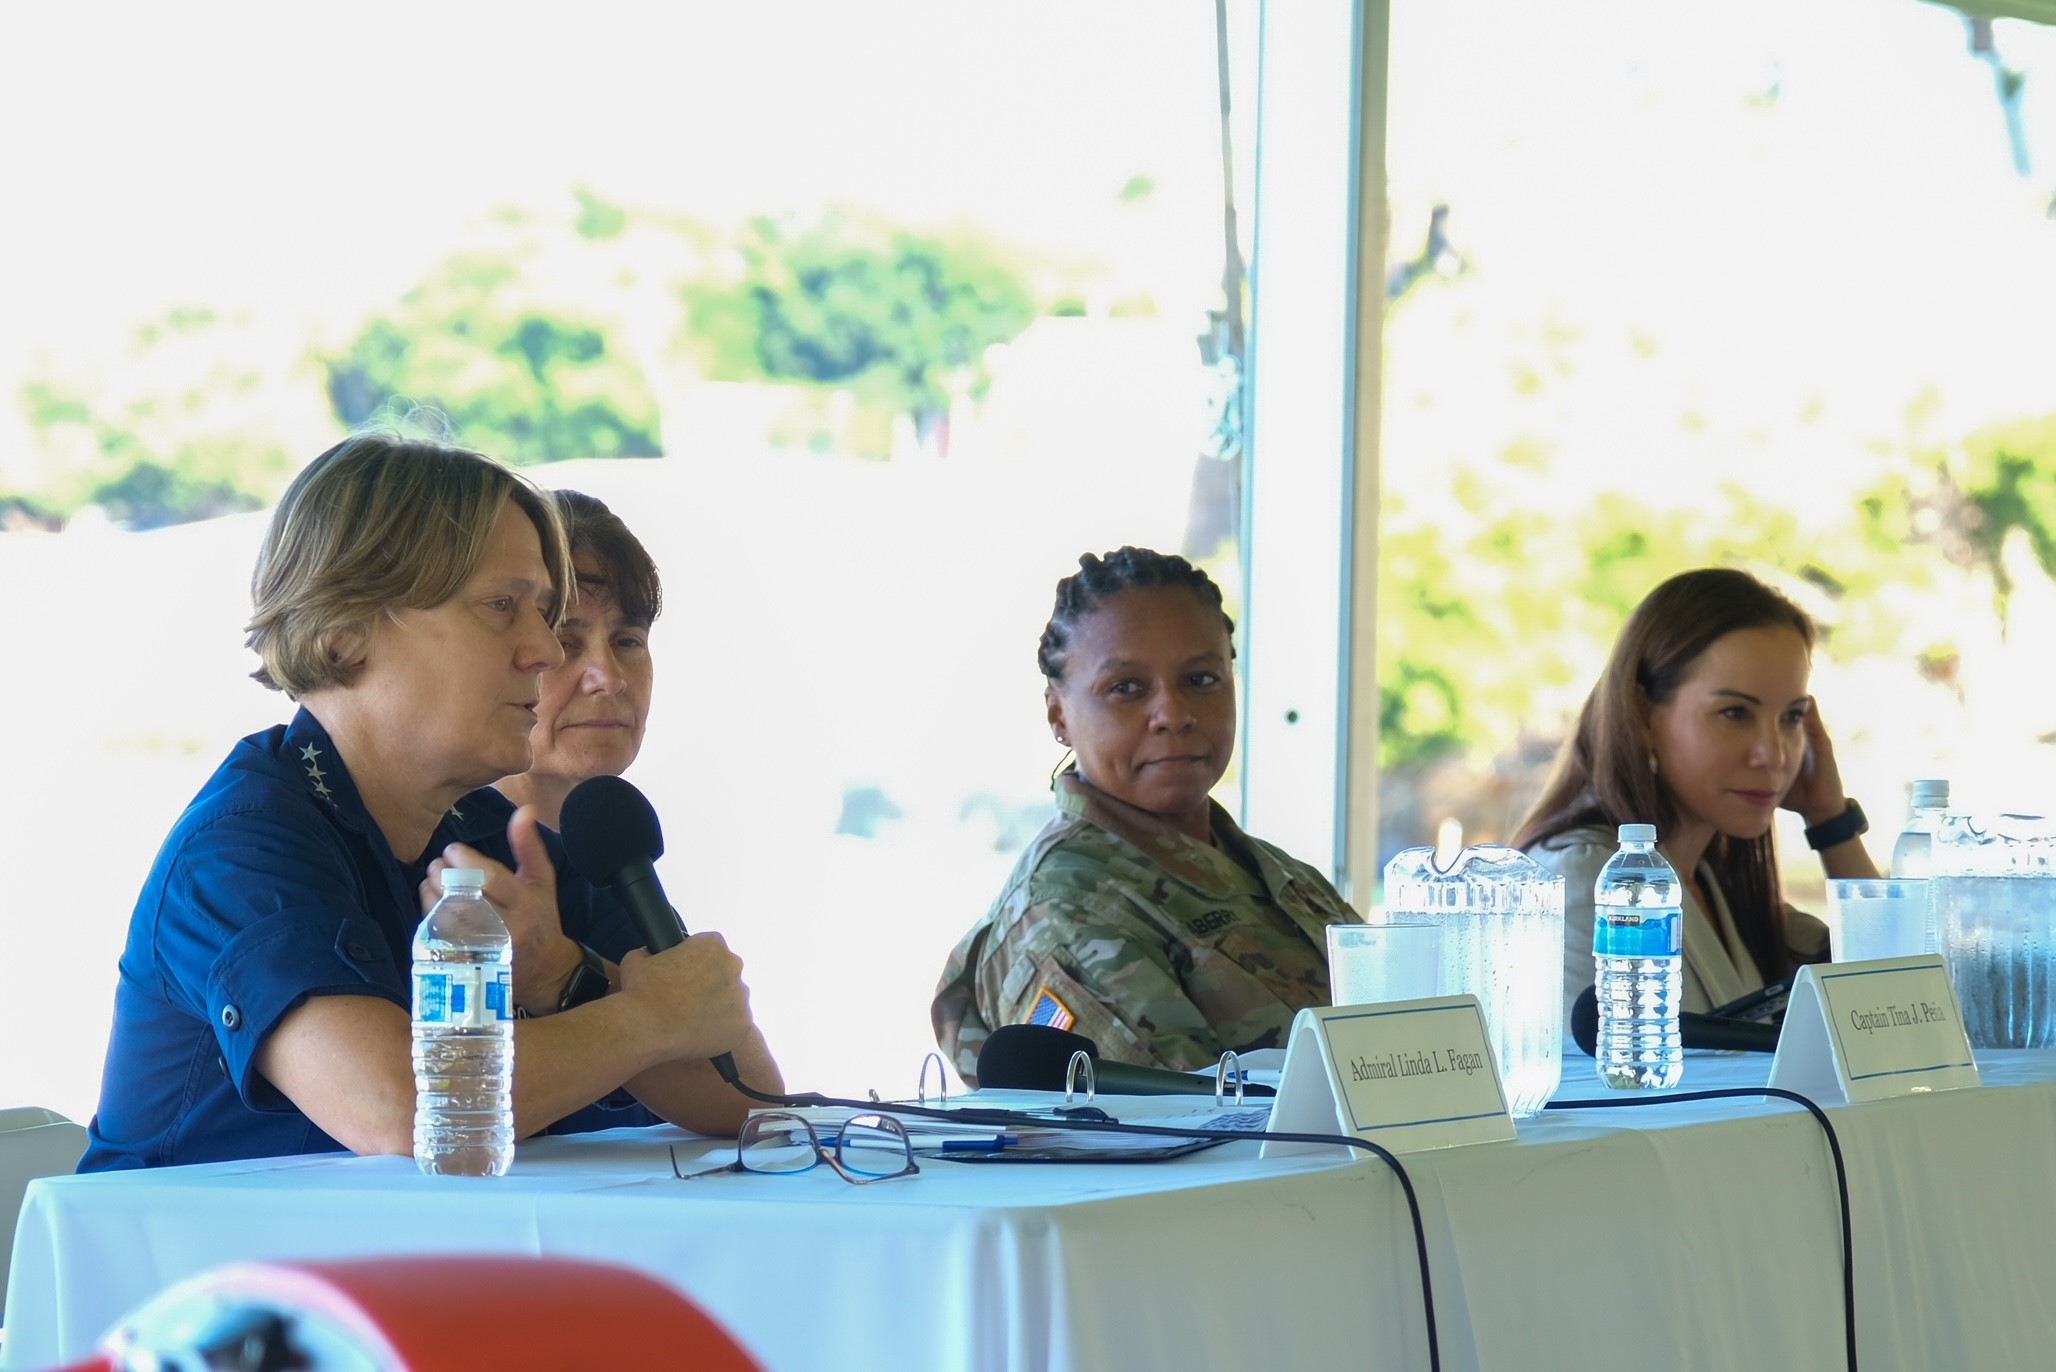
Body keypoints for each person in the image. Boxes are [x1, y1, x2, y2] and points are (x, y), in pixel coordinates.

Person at [82, 435, 781, 1171]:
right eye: (503, 607)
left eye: (543, 613)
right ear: (345, 629)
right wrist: (645, 1017)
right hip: (230, 1284)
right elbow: (399, 1109)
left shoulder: (504, 840)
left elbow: (754, 1104)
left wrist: (564, 974)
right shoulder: (239, 849)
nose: (544, 651)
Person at [932, 547, 1362, 1084]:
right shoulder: (1068, 909)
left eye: (1201, 680)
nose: (1173, 715)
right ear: (1058, 714)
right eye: (1126, 689)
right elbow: (1196, 1130)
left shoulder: (1278, 874)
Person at [1513, 567, 1878, 1026]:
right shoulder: (1594, 881)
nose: (1773, 754)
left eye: (1791, 717)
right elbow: (1616, 1089)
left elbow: (1897, 1001)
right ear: (1644, 714)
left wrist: (1830, 821)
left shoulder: (1717, 886)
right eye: (1735, 713)